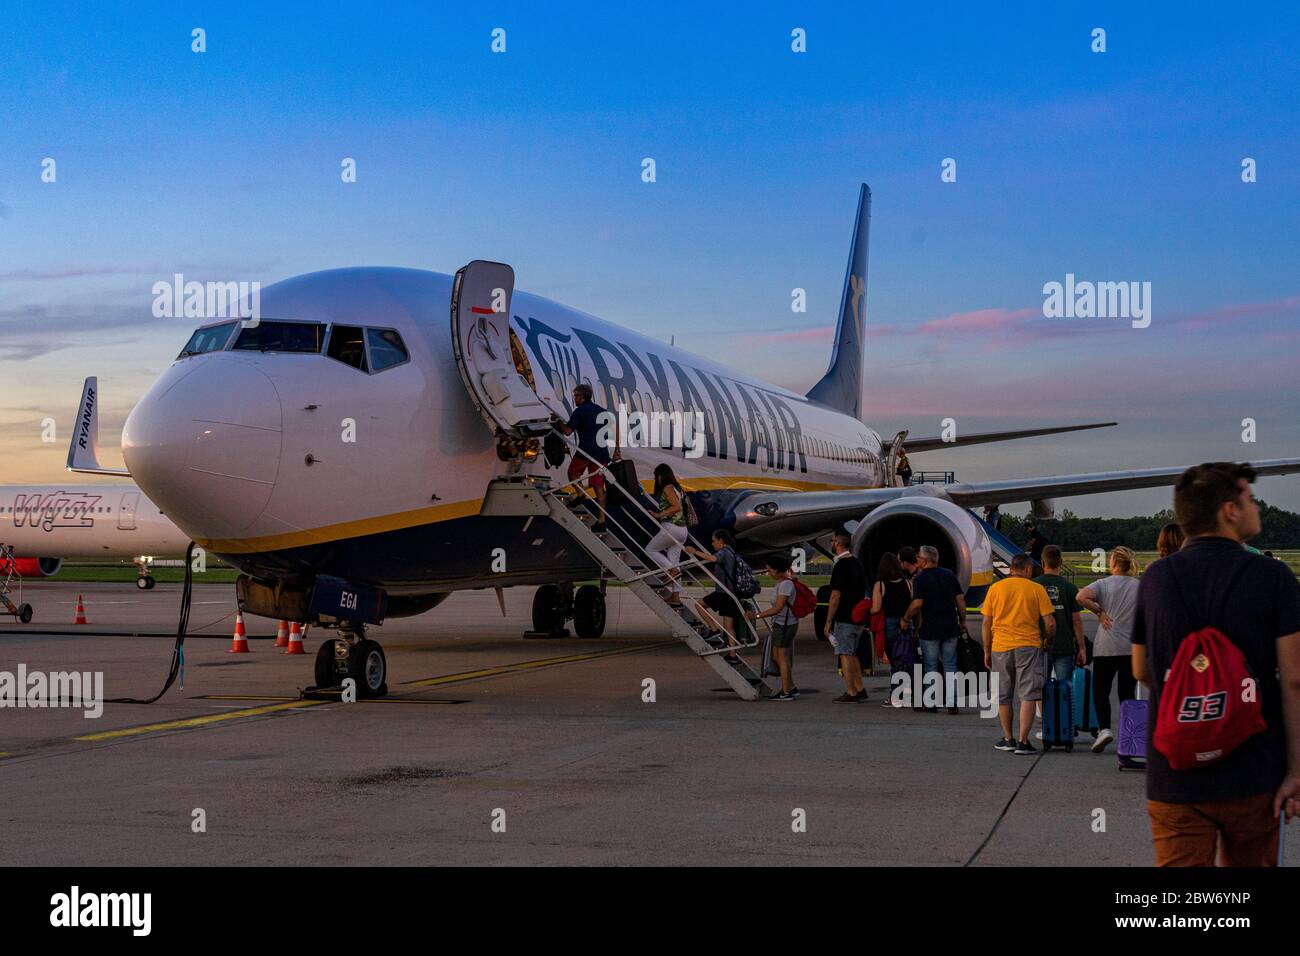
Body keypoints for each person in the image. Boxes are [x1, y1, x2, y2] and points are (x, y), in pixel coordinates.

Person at [1132, 462, 1300, 866]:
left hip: (1175, 773)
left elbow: (1142, 671)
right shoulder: (1274, 577)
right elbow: (1294, 679)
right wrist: (1296, 771)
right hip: (1254, 771)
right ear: (1230, 510)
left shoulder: (1156, 578)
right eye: (1251, 499)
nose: (1257, 508)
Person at [982, 553, 1056, 754]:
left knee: (1004, 695)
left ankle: (1008, 738)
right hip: (1028, 646)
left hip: (1000, 647)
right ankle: (1024, 741)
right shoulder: (1036, 589)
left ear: (1011, 568)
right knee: (1029, 695)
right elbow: (1050, 622)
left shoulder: (995, 588)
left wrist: (986, 650)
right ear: (1027, 569)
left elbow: (986, 622)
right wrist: (1047, 640)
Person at [1077, 546, 1142, 753]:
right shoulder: (1138, 586)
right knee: (1127, 692)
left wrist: (1099, 610)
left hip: (1106, 646)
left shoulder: (1103, 584)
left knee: (1101, 691)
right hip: (1130, 647)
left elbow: (1081, 596)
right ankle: (1129, 733)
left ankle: (1105, 729)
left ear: (1112, 563)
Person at [901, 545, 967, 714]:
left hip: (930, 628)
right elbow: (960, 600)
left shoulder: (920, 579)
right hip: (950, 626)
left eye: (918, 558)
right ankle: (952, 704)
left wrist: (906, 618)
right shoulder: (949, 575)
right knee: (950, 665)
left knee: (930, 665)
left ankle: (932, 702)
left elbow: (917, 604)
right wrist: (963, 620)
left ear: (923, 560)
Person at [551, 382, 619, 529]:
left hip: (586, 451)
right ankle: (601, 520)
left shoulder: (580, 411)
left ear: (582, 397)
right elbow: (616, 428)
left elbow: (568, 431)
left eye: (576, 396)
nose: (574, 399)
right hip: (602, 453)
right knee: (598, 486)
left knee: (572, 473)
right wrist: (617, 449)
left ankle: (580, 493)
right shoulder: (601, 410)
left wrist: (557, 421)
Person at [687, 529, 746, 666]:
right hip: (731, 593)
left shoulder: (724, 552)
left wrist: (694, 551)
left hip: (723, 592)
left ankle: (714, 630)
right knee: (729, 626)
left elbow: (713, 558)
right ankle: (733, 656)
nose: (712, 544)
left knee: (699, 604)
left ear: (721, 540)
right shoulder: (731, 551)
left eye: (714, 541)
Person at [824, 529, 868, 702]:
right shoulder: (856, 563)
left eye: (833, 541)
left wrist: (828, 620)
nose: (832, 544)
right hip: (857, 616)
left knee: (844, 654)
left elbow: (835, 596)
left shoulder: (841, 566)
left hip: (844, 617)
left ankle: (851, 691)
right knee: (852, 653)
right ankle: (860, 687)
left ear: (838, 543)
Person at [1034, 545, 1086, 685]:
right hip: (1064, 645)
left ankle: (1044, 708)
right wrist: (1082, 647)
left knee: (1040, 688)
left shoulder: (1034, 586)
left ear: (1042, 562)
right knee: (1065, 688)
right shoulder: (1069, 587)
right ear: (1060, 562)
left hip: (1038, 645)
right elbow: (1076, 621)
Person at [751, 554, 800, 700]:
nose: (769, 573)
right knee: (777, 656)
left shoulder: (786, 584)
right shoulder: (783, 582)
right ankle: (791, 687)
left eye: (770, 570)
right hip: (782, 624)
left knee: (782, 657)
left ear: (778, 570)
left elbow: (778, 608)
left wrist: (757, 616)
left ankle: (786, 692)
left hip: (785, 625)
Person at [872, 552, 915, 708]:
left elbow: (876, 608)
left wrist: (865, 611)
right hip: (905, 623)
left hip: (889, 624)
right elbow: (912, 605)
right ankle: (909, 694)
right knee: (906, 658)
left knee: (895, 661)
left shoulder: (880, 584)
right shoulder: (908, 583)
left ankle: (896, 695)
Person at [646, 464, 689, 605]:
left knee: (650, 550)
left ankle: (672, 571)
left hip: (672, 528)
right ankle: (675, 596)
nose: (655, 479)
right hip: (682, 530)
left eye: (656, 476)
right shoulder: (678, 488)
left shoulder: (667, 488)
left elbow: (676, 507)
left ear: (660, 475)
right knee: (674, 560)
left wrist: (659, 514)